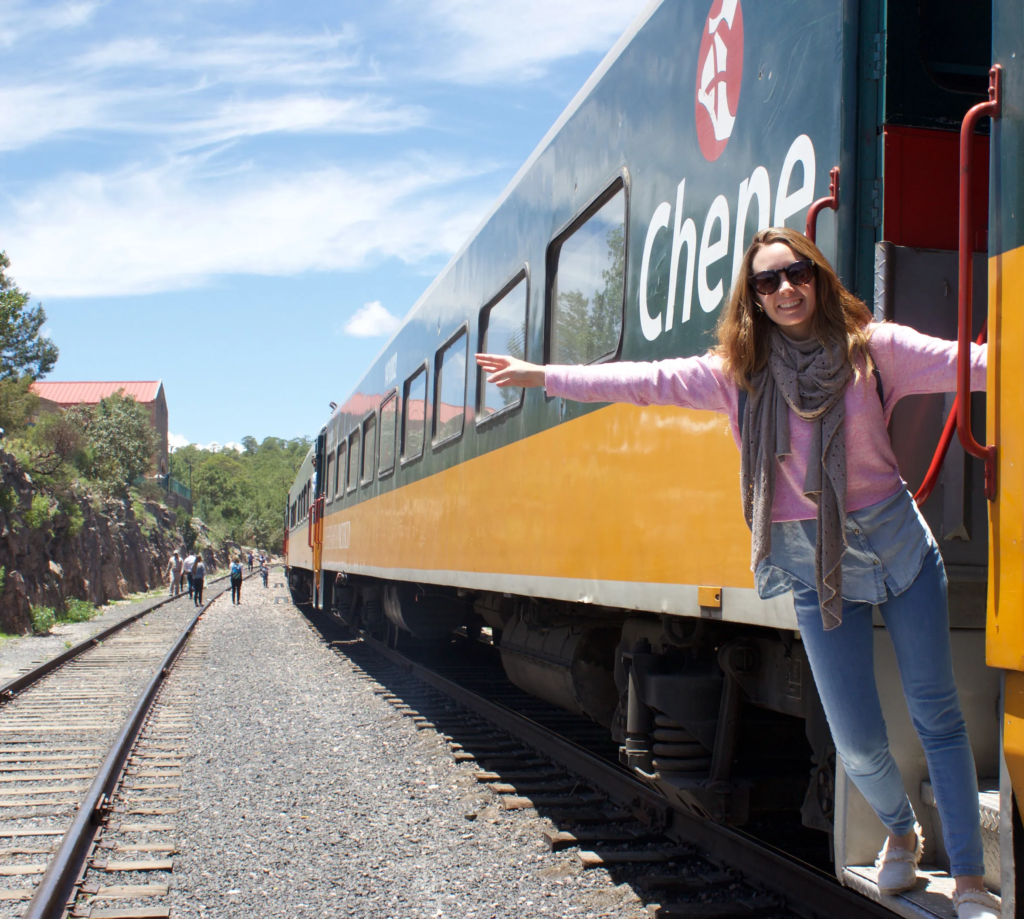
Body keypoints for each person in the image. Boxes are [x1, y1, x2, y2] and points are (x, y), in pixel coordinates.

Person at [476, 226, 995, 919]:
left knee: (938, 716)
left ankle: (966, 877)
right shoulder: (736, 376)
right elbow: (644, 380)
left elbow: (980, 363)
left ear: (819, 276)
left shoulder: (874, 352)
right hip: (813, 566)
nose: (785, 288)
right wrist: (543, 376)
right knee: (857, 736)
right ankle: (901, 829)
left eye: (797, 273)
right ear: (751, 297)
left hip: (900, 550)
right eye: (766, 280)